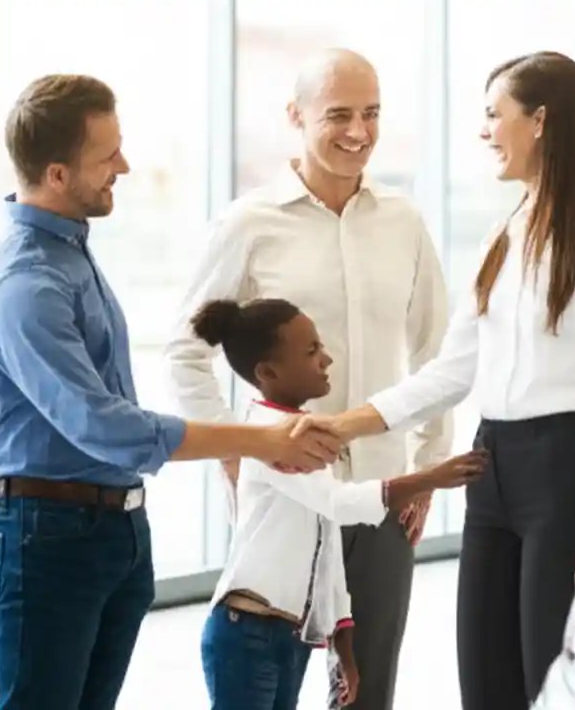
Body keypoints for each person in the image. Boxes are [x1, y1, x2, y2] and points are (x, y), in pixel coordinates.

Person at [0, 74, 342, 710]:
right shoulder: (26, 283)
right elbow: (102, 425)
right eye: (106, 156)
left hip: (108, 529)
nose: (125, 166)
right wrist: (258, 439)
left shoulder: (71, 255)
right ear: (57, 174)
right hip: (48, 537)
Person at [300, 51, 575, 709]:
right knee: (484, 678)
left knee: (547, 677)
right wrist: (342, 424)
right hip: (492, 467)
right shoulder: (510, 229)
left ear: (541, 121)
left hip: (566, 471)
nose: (485, 130)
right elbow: (452, 369)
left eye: (495, 115)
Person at [164, 48, 451, 710]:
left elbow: (437, 349)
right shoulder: (250, 223)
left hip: (379, 495)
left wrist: (431, 463)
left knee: (367, 688)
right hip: (286, 505)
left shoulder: (403, 220)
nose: (359, 132)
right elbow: (186, 348)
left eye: (372, 114)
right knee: (271, 685)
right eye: (339, 115)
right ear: (295, 117)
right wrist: (237, 448)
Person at [189, 298, 487, 710]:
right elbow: (340, 505)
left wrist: (345, 654)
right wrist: (431, 477)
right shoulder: (269, 436)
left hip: (288, 636)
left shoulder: (296, 430)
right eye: (311, 352)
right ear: (268, 373)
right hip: (246, 634)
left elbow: (327, 555)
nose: (327, 359)